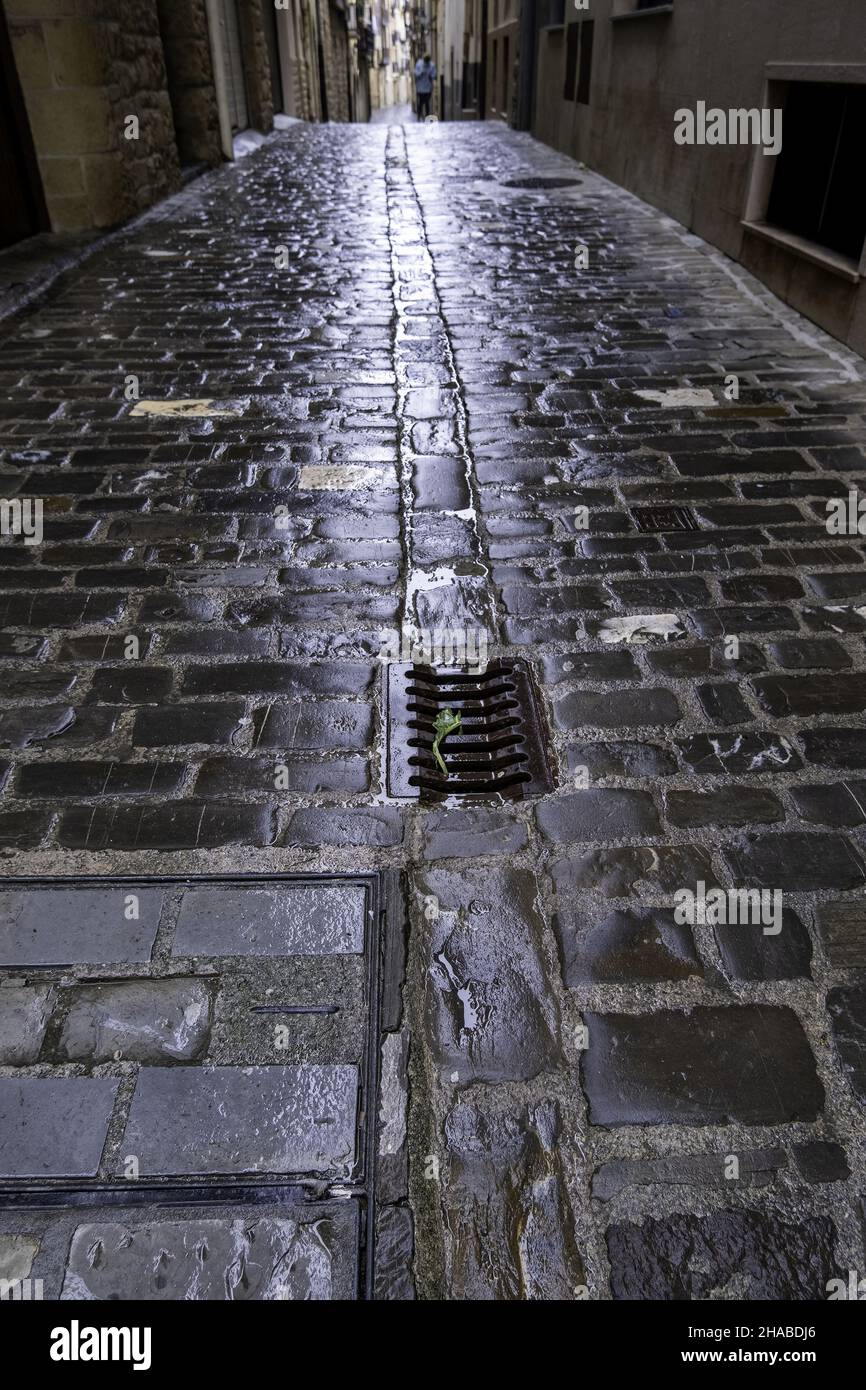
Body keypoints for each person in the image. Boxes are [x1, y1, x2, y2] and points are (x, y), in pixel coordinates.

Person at [414, 53, 436, 120]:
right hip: (420, 88)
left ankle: (426, 117)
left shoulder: (431, 65)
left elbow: (434, 75)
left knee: (426, 103)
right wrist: (421, 72)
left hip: (428, 88)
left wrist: (430, 75)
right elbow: (416, 74)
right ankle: (419, 116)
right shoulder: (419, 64)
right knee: (420, 102)